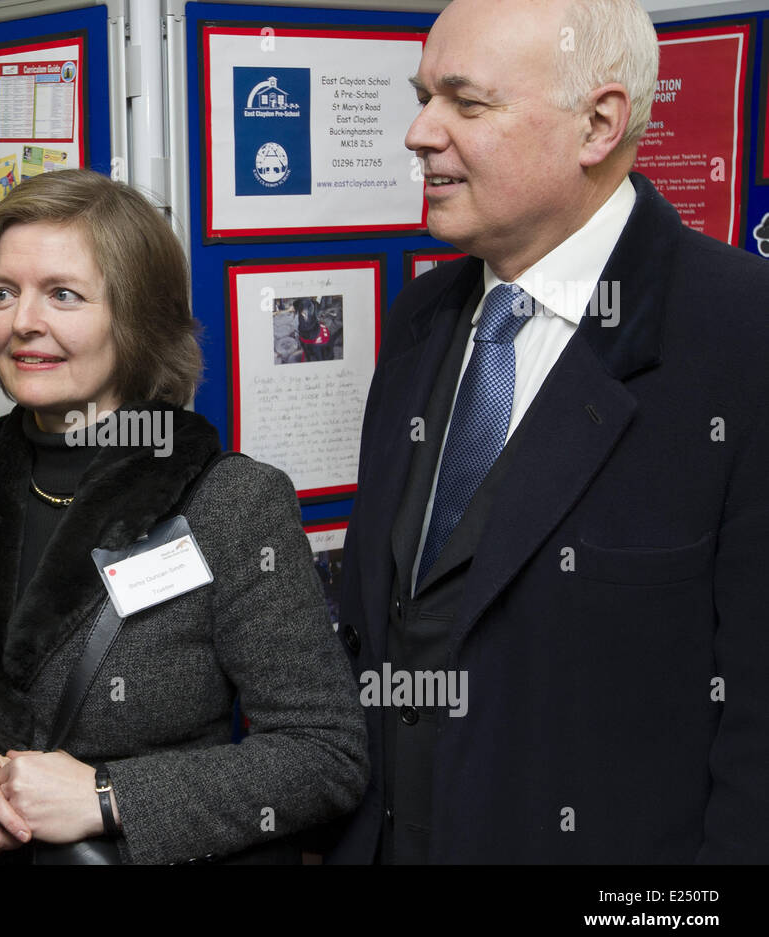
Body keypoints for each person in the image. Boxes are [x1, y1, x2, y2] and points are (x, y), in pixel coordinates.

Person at [329, 0, 769, 864]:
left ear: (598, 123)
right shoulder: (421, 319)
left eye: (466, 101)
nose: (419, 132)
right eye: (424, 96)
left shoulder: (741, 337)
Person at [0, 168, 368, 864]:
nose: (23, 321)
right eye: (2, 293)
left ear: (138, 317)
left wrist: (110, 796)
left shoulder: (230, 501)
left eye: (63, 294)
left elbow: (324, 754)